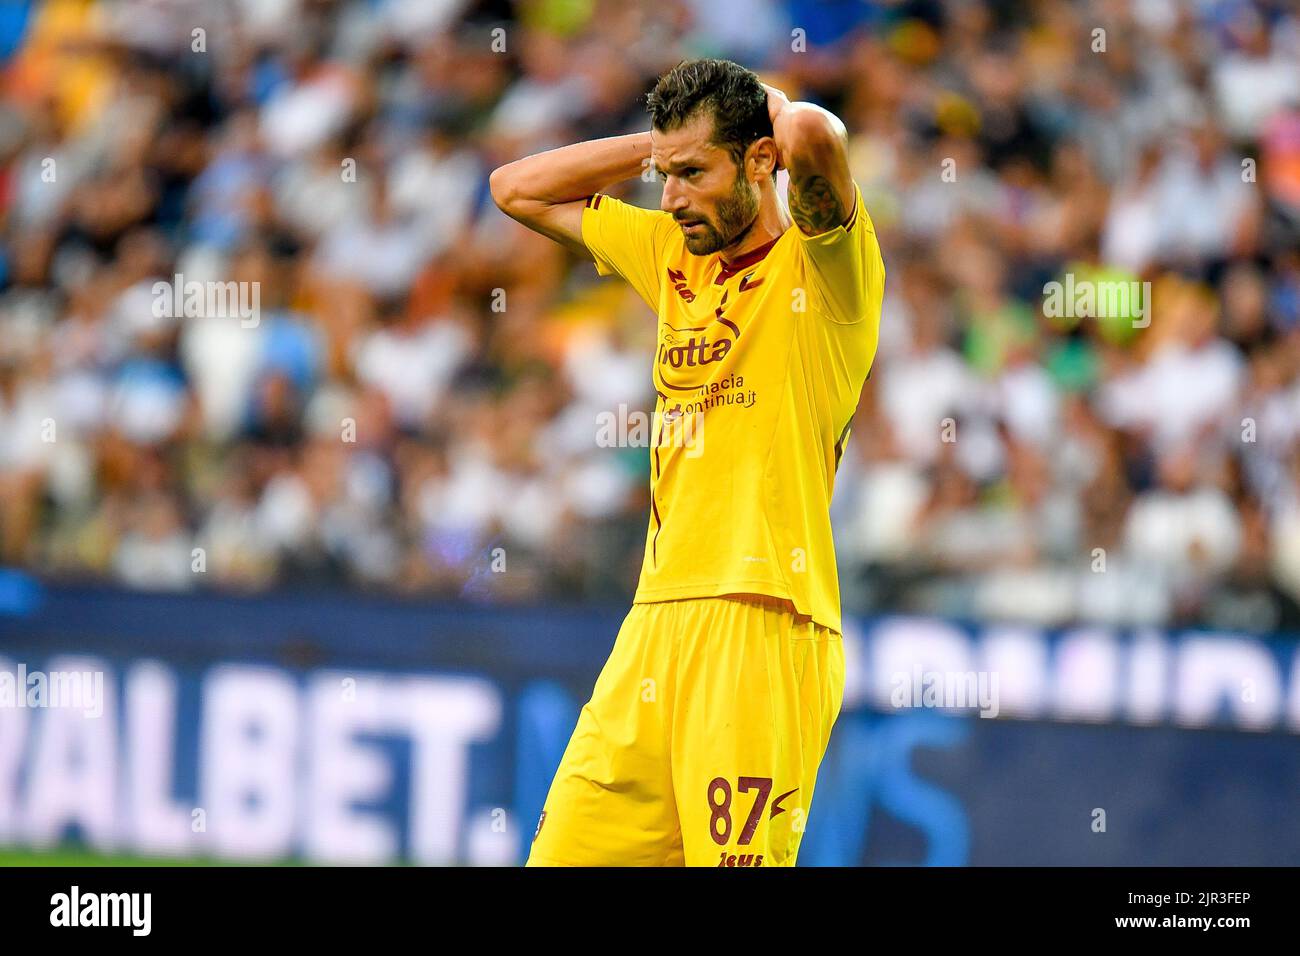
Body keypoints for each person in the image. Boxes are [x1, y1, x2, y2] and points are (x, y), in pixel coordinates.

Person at [490, 58, 884, 866]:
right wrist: (663, 147)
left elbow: (813, 132)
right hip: (654, 624)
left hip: (766, 618)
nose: (670, 198)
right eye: (665, 176)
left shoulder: (827, 273)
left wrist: (764, 107)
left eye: (694, 173)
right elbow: (515, 188)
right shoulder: (673, 252)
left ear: (760, 160)